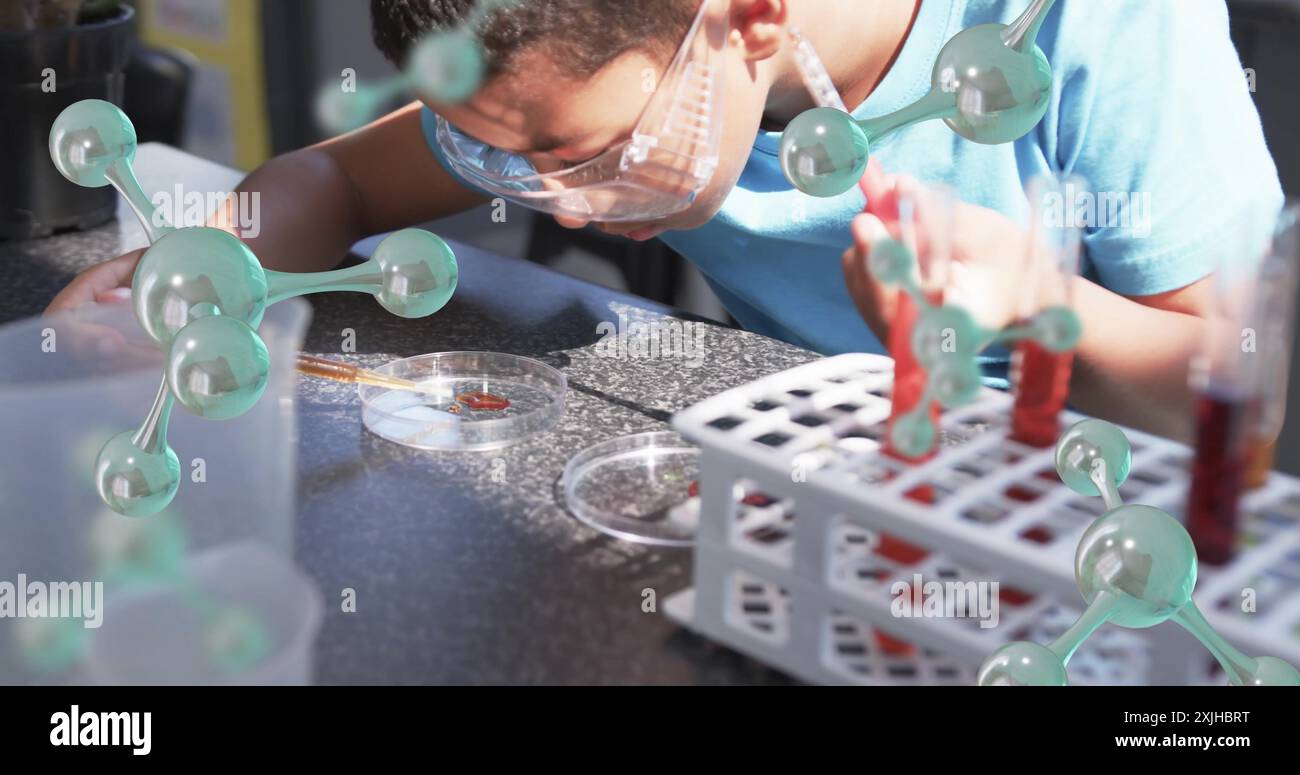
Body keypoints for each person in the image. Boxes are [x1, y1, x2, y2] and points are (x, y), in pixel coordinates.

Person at [47, 0, 1281, 438]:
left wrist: (1040, 301)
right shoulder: (569, 61)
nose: (556, 204)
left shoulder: (1095, 27)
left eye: (588, 156)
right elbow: (338, 181)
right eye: (501, 158)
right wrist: (202, 271)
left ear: (746, 19)